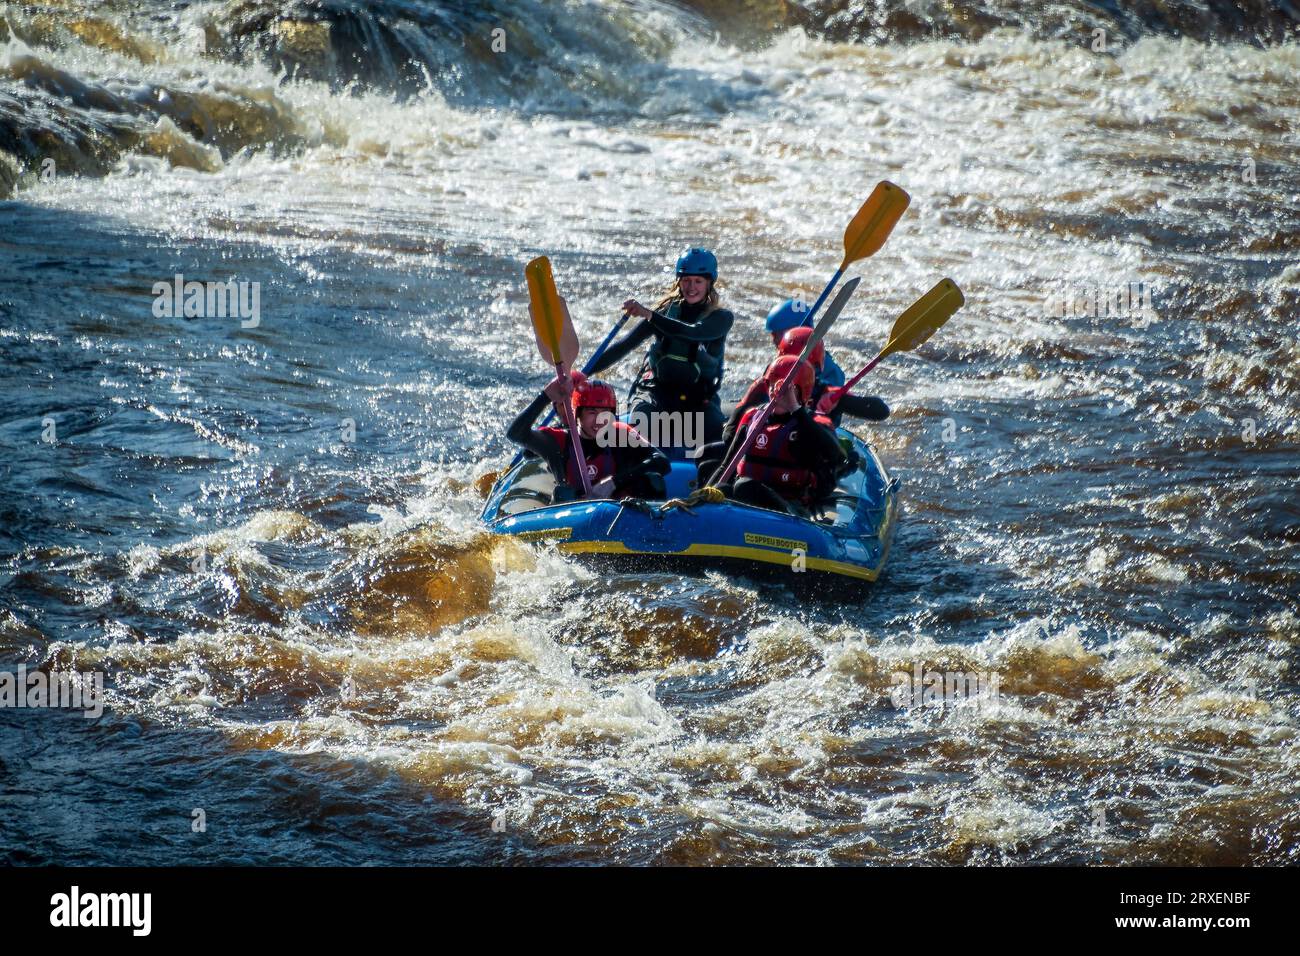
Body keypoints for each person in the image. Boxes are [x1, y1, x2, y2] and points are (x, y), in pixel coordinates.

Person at [588, 247, 735, 452]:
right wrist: (583, 373)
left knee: (717, 439)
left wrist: (650, 315)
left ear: (710, 283)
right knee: (639, 428)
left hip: (697, 398)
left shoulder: (721, 318)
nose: (691, 287)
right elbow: (624, 346)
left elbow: (692, 333)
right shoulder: (665, 312)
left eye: (698, 281)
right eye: (686, 280)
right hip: (657, 392)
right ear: (678, 282)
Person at [702, 355, 847, 515]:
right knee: (722, 489)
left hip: (791, 510)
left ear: (801, 391)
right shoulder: (752, 417)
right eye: (772, 385)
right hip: (750, 499)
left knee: (744, 487)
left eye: (785, 388)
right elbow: (726, 465)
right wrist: (702, 498)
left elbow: (835, 456)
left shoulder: (811, 424)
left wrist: (795, 408)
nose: (775, 392)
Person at [506, 371, 669, 501]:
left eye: (605, 413)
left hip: (620, 512)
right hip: (576, 515)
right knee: (564, 494)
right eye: (592, 412)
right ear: (577, 414)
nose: (600, 420)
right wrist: (545, 397)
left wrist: (614, 482)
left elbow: (661, 461)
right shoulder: (558, 441)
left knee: (653, 481)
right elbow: (515, 434)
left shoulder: (622, 434)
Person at [745, 299, 891, 429]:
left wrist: (836, 398)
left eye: (777, 334)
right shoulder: (774, 371)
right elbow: (744, 409)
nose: (774, 341)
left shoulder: (826, 377)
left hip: (815, 434)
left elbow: (880, 411)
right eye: (773, 335)